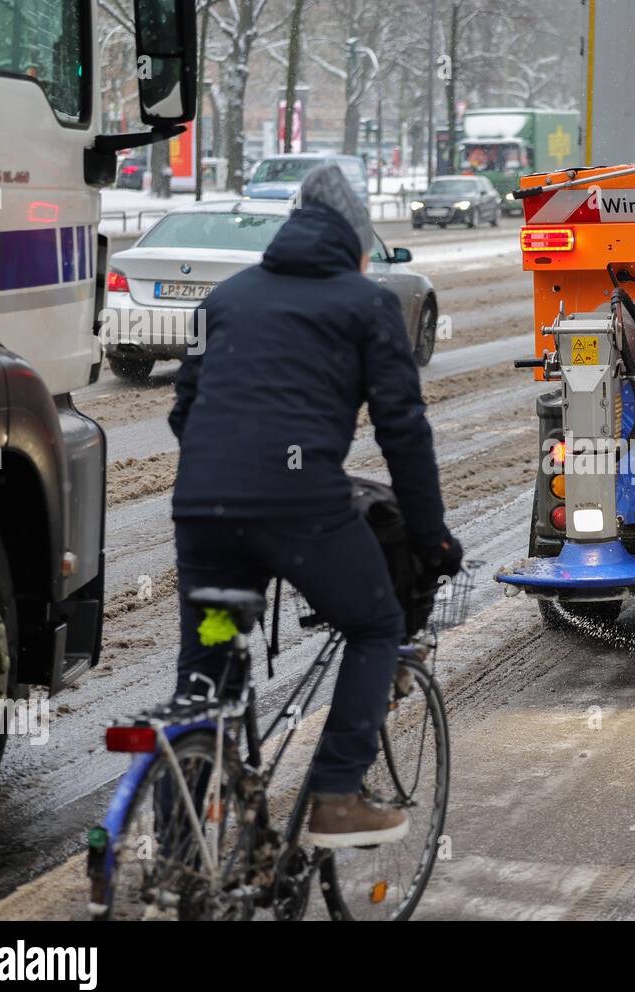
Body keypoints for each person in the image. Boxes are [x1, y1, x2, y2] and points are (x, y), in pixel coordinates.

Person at [167, 163, 461, 848]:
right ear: (354, 246)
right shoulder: (366, 305)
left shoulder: (228, 297)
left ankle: (177, 849)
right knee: (374, 622)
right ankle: (335, 795)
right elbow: (403, 431)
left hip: (203, 513)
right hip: (299, 511)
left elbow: (186, 410)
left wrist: (229, 466)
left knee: (207, 665)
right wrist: (431, 536)